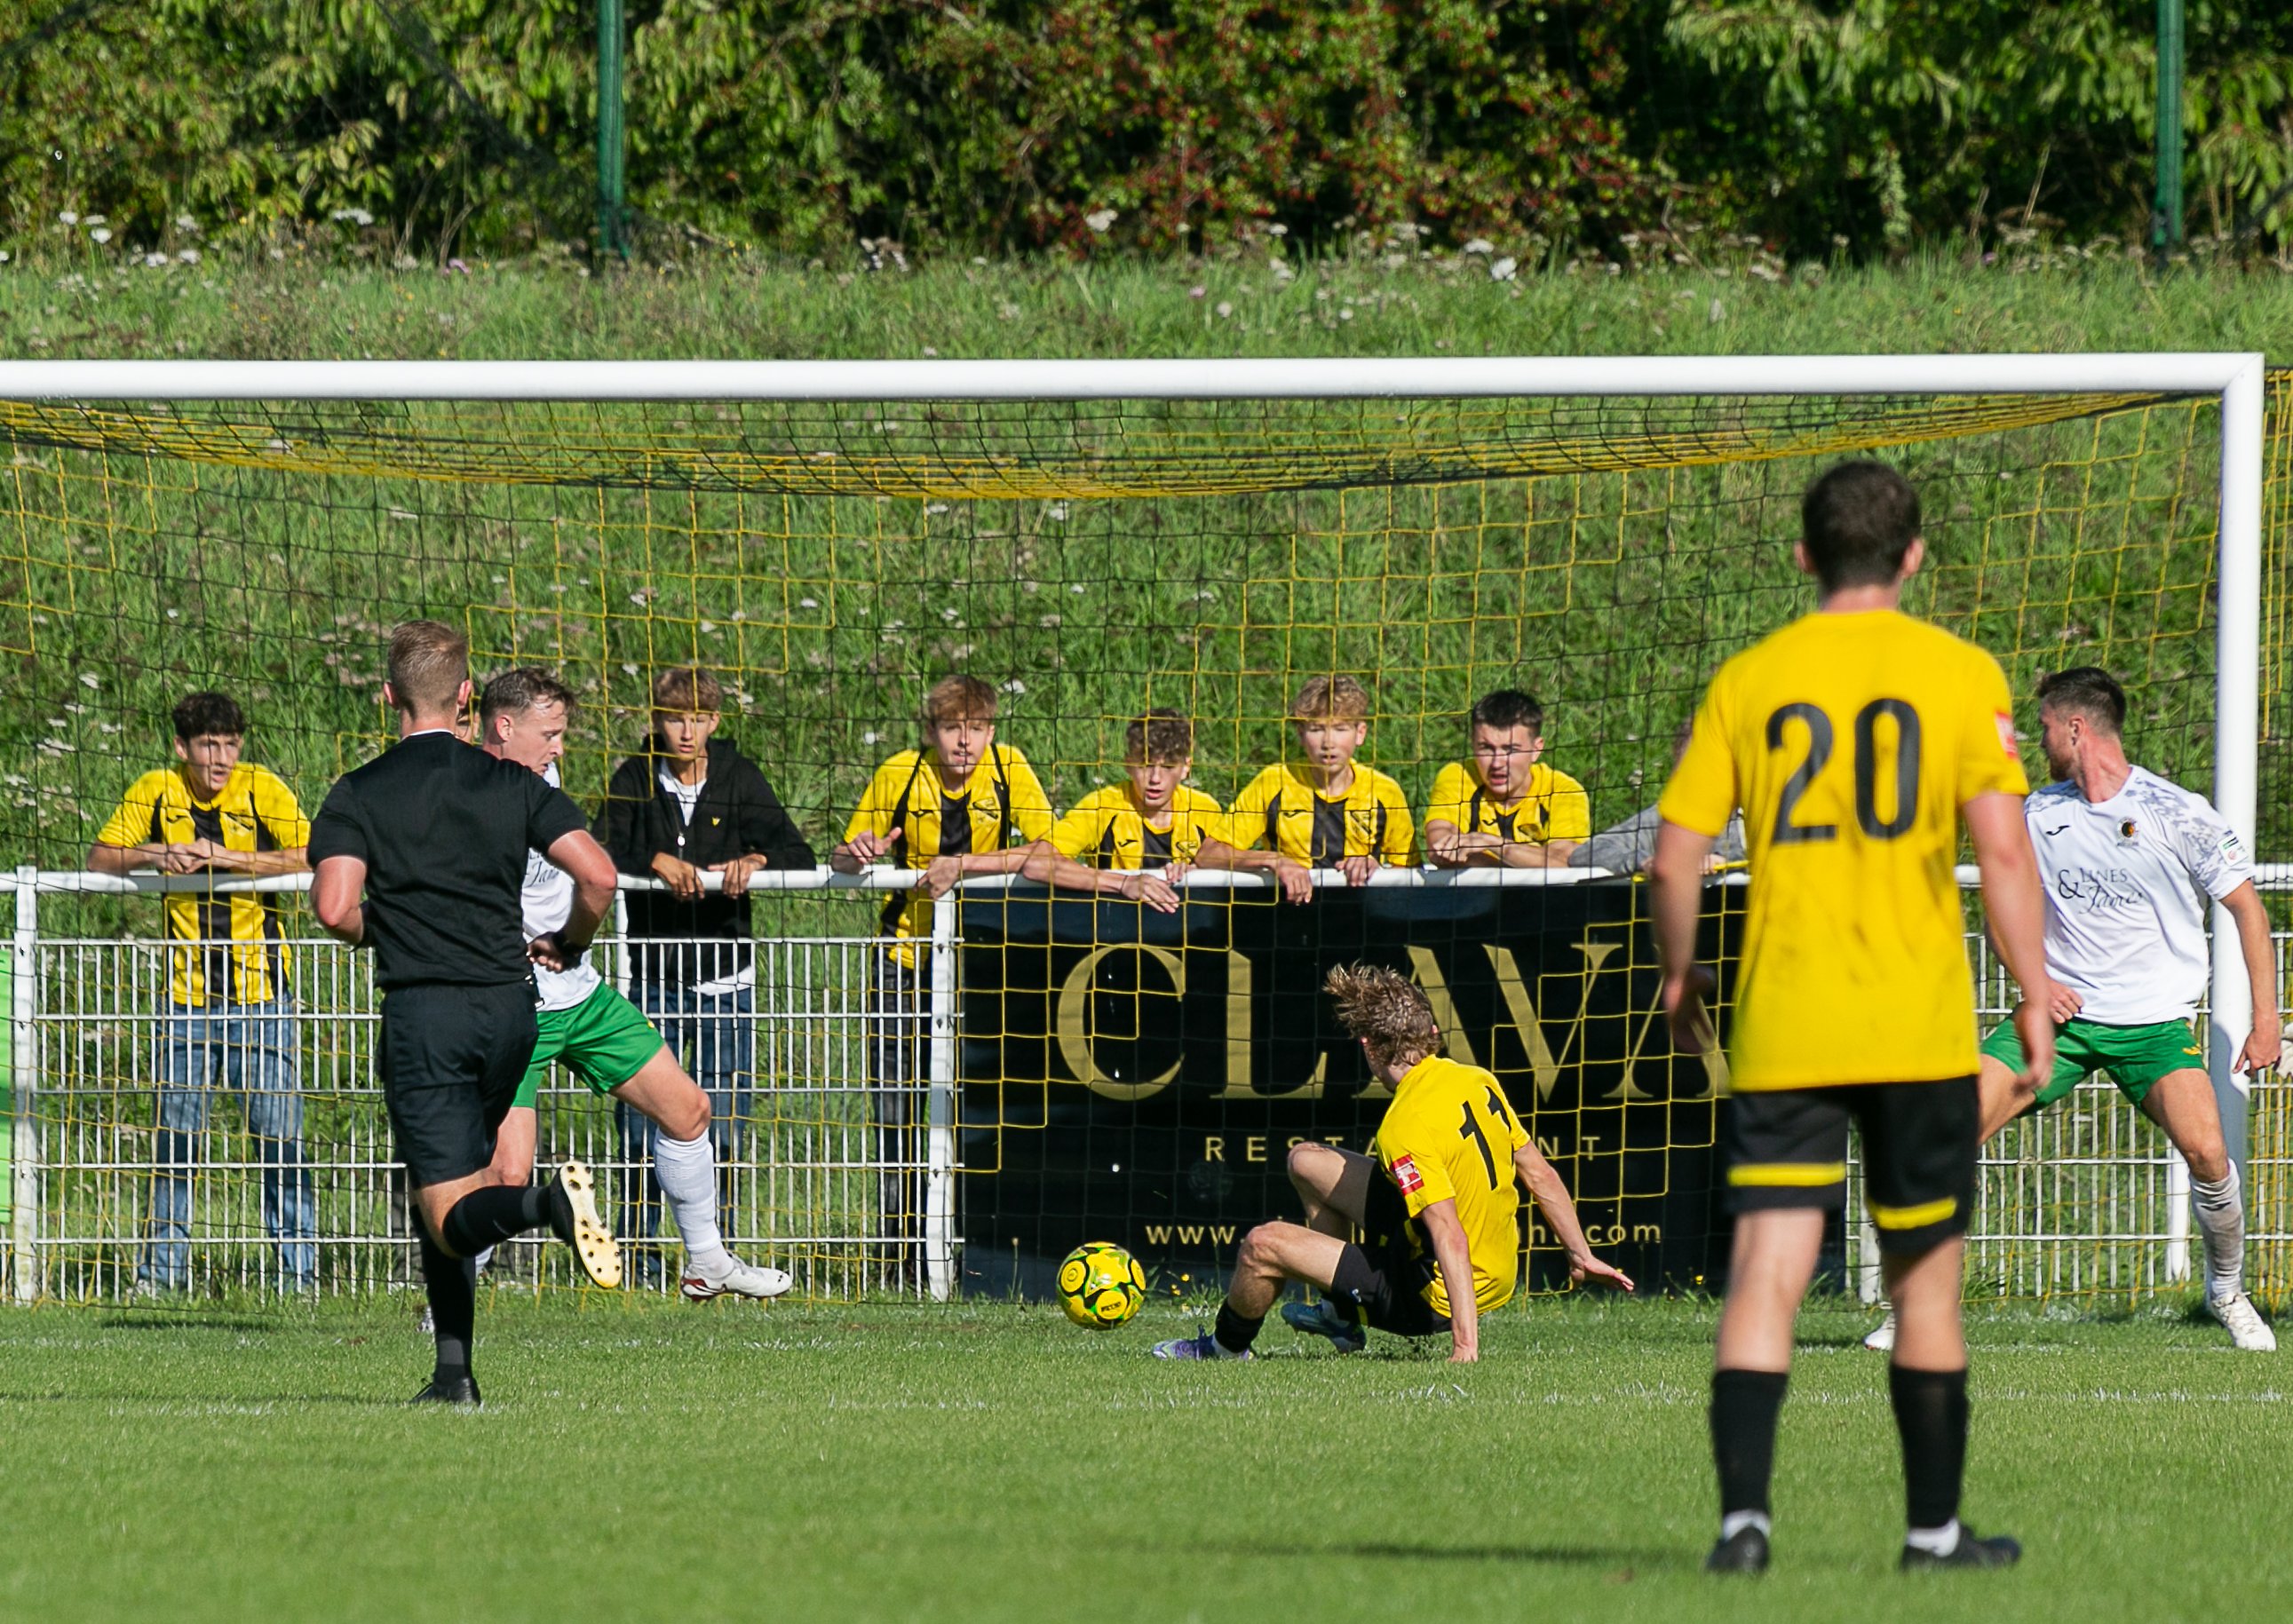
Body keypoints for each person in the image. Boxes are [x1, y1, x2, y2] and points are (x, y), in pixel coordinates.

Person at [1650, 459, 2054, 1573]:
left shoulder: (1751, 675)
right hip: (1915, 1025)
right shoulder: (1957, 670)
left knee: (1765, 1269)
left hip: (1785, 1020)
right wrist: (2028, 987)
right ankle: (1930, 1536)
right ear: (1913, 556)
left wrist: (1679, 979)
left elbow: (1675, 852)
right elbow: (2003, 847)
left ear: (1801, 555)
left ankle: (1742, 1526)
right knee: (1924, 1278)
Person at [1864, 666, 2280, 1354]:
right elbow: (2002, 901)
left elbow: (2246, 908)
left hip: (2151, 1022)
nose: (2041, 741)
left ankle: (2227, 1291)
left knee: (2209, 1151)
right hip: (2058, 1023)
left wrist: (2267, 1019)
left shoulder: (2178, 810)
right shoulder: (2037, 813)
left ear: (2077, 728)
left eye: (2048, 727)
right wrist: (2033, 985)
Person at [310, 620, 624, 1406]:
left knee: (450, 1211)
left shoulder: (359, 790)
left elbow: (333, 906)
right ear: (463, 696)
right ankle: (454, 1372)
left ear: (387, 698)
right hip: (511, 1011)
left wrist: (382, 927)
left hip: (427, 1015)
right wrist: (568, 942)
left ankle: (545, 1204)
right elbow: (599, 876)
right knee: (440, 1186)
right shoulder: (514, 783)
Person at [478, 668, 792, 1303]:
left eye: (562, 733)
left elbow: (596, 862)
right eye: (551, 733)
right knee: (507, 1169)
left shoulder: (544, 775)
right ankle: (446, 1294)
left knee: (689, 1110)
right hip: (513, 1003)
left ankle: (705, 1262)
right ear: (503, 728)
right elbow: (597, 875)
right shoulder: (467, 791)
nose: (561, 747)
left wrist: (568, 947)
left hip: (580, 993)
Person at [1152, 963, 1633, 1362]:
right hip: (1489, 1265)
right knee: (1306, 1161)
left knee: (1263, 1245)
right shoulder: (1476, 1078)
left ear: (1367, 1047)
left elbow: (1447, 1232)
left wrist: (1464, 1344)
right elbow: (1539, 1172)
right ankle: (1340, 1317)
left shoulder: (1404, 1123)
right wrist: (1580, 1254)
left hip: (1432, 1294)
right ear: (1434, 1035)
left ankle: (1223, 1348)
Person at [832, 673, 1057, 1283]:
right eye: (953, 728)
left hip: (985, 966)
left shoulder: (1010, 769)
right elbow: (842, 855)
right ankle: (902, 1251)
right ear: (930, 730)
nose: (966, 742)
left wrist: (967, 866)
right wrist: (854, 854)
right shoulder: (900, 772)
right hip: (902, 961)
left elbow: (1048, 851)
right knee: (897, 1106)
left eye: (977, 728)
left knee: (981, 1107)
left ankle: (980, 1251)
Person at [91, 691, 317, 1295]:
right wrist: (155, 852)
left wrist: (230, 859)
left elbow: (314, 854)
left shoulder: (262, 788)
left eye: (230, 744)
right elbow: (99, 856)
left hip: (263, 998)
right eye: (208, 745)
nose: (220, 758)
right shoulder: (156, 789)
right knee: (176, 1140)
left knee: (280, 1139)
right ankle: (161, 1277)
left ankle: (299, 1279)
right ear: (182, 747)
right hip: (185, 1001)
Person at [597, 665, 816, 1279]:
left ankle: (714, 1257)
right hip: (655, 983)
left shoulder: (739, 775)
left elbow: (796, 850)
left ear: (715, 721)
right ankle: (636, 1256)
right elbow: (594, 844)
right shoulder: (635, 777)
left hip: (727, 982)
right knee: (642, 1125)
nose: (685, 729)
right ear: (656, 719)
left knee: (721, 1125)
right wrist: (653, 859)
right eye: (673, 716)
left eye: (697, 716)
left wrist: (758, 858)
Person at [1205, 675, 1412, 896]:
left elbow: (1410, 871)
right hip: (1287, 915)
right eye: (1316, 729)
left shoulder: (1384, 791)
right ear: (1301, 735)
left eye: (1340, 729)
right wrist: (1275, 861)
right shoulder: (1273, 782)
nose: (1328, 743)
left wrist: (1376, 868)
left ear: (1360, 734)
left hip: (1364, 917)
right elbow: (1209, 853)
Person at [1020, 708, 1214, 912]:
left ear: (1186, 768)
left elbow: (1232, 861)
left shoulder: (1204, 810)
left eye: (1167, 767)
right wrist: (1123, 883)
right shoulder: (1101, 806)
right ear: (1128, 764)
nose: (1155, 779)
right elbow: (1038, 864)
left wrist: (1197, 870)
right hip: (1111, 926)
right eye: (1145, 765)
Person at [1424, 690, 1591, 867]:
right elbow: (1440, 849)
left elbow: (1563, 863)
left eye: (1510, 749)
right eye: (1486, 748)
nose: (1497, 763)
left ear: (1536, 749)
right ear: (1473, 744)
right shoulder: (1459, 776)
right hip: (1476, 892)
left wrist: (1492, 843)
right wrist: (1519, 869)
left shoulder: (1563, 791)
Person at [1567, 720, 1749, 874]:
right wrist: (1646, 861)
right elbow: (1587, 853)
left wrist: (1724, 861)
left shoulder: (1766, 808)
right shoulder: (1670, 815)